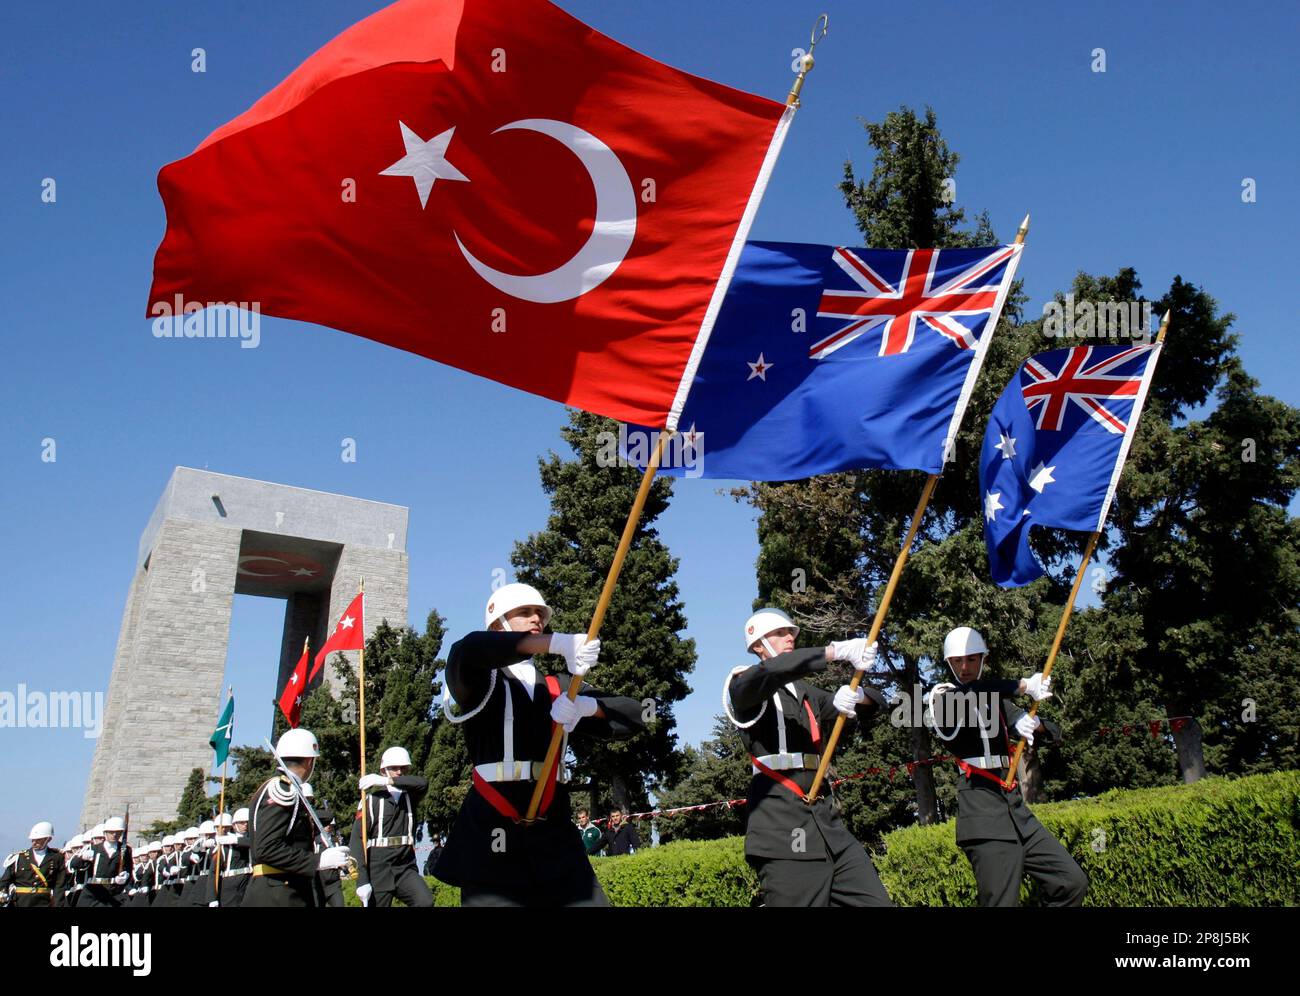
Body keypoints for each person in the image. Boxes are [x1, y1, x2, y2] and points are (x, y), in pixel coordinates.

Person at [433, 582, 644, 906]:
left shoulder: (559, 685)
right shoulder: (478, 679)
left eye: (540, 614)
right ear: (497, 625)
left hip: (554, 828)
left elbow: (639, 712)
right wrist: (555, 643)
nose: (536, 618)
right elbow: (469, 649)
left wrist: (589, 708)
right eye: (523, 613)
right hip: (494, 827)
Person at [724, 607, 893, 907]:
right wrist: (835, 651)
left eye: (791, 632)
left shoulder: (806, 693)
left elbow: (873, 706)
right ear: (758, 645)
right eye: (779, 633)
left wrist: (857, 696)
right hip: (783, 831)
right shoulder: (743, 685)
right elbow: (775, 670)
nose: (789, 637)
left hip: (828, 827)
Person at [927, 626, 1088, 907]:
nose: (964, 667)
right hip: (982, 809)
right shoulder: (941, 695)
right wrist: (1024, 685)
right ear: (949, 664)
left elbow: (1055, 733)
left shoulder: (996, 700)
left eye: (972, 659)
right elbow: (971, 694)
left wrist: (1035, 725)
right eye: (957, 661)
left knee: (1071, 881)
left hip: (1014, 808)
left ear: (983, 660)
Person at [242, 728, 350, 907]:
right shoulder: (282, 790)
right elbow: (266, 848)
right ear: (309, 761)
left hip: (284, 891)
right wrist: (318, 860)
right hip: (278, 894)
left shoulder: (289, 789)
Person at [351, 745, 434, 908]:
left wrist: (386, 780)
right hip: (378, 869)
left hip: (405, 867)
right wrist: (361, 880)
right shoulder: (371, 801)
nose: (399, 771)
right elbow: (357, 840)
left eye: (403, 768)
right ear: (383, 770)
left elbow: (422, 783)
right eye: (393, 768)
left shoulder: (411, 795)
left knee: (425, 901)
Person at [70, 815, 133, 907]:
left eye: (118, 832)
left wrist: (125, 877)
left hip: (114, 891)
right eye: (111, 832)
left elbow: (128, 869)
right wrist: (82, 858)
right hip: (93, 891)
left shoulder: (125, 850)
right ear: (105, 832)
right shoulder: (93, 848)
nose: (114, 835)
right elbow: (73, 864)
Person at [1, 821, 65, 908]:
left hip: (44, 903)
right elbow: (5, 881)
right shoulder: (19, 858)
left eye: (38, 840)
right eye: (33, 839)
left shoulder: (57, 858)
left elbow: (59, 887)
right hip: (20, 902)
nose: (34, 842)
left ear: (48, 839)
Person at [217, 808, 252, 907]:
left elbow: (253, 842)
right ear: (234, 825)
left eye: (247, 822)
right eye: (241, 822)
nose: (245, 825)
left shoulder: (253, 839)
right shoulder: (225, 843)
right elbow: (214, 872)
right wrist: (212, 898)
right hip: (230, 883)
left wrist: (236, 840)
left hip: (249, 880)